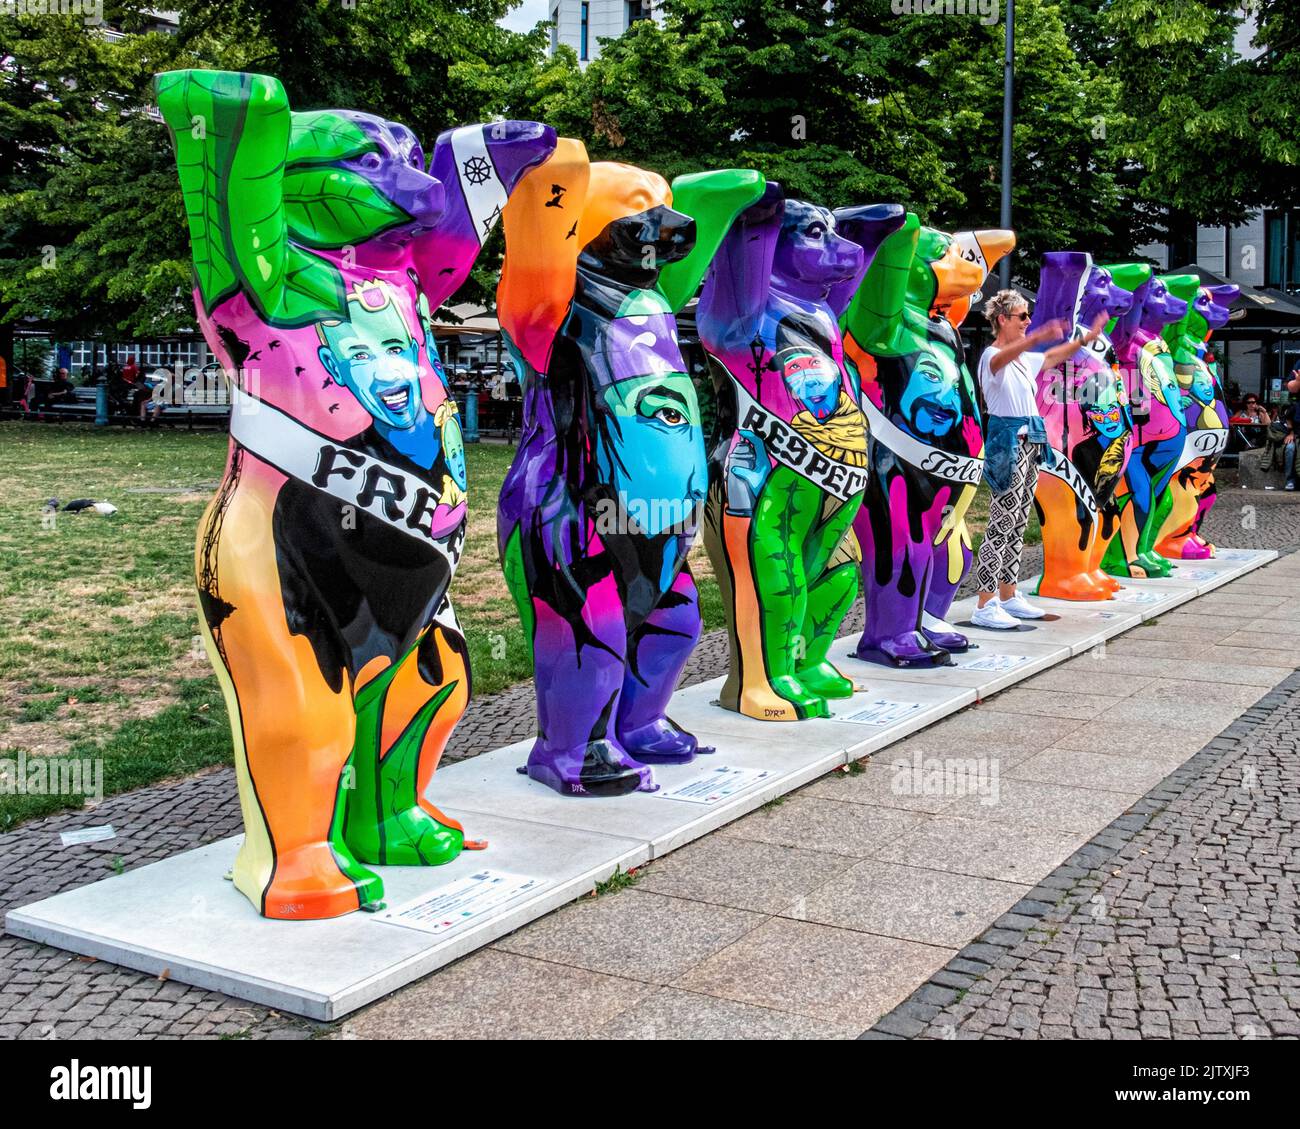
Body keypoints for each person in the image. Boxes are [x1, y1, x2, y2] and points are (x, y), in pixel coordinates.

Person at [971, 290, 1106, 629]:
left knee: (1017, 522)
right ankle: (984, 604)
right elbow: (1001, 360)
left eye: (1028, 316)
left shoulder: (1023, 359)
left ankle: (1008, 595)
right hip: (1009, 443)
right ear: (1003, 320)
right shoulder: (992, 356)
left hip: (1031, 442)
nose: (1028, 321)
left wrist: (1085, 339)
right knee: (1001, 521)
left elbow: (1055, 356)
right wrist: (1037, 337)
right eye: (1022, 316)